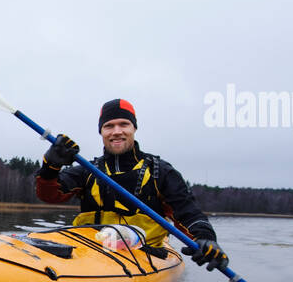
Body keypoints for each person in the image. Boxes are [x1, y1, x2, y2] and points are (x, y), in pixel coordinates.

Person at [34, 98, 228, 270]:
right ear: (101, 131)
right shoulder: (88, 170)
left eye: (124, 124)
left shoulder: (161, 172)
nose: (116, 131)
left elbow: (189, 213)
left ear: (134, 128)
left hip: (144, 254)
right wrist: (51, 166)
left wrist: (206, 238)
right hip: (88, 251)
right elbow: (49, 195)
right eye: (109, 126)